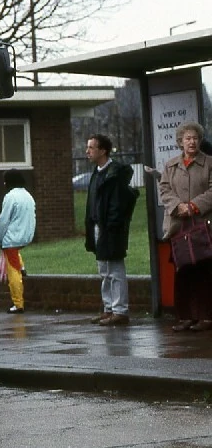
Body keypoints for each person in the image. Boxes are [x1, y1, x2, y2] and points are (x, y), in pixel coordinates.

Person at [158, 122, 212, 332]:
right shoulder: (170, 166)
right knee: (183, 271)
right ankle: (186, 316)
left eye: (195, 138)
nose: (192, 142)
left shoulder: (209, 163)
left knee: (204, 271)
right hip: (179, 226)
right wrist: (176, 206)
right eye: (187, 138)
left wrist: (194, 206)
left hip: (203, 226)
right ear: (180, 142)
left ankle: (206, 316)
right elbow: (164, 189)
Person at [84, 134, 136, 326]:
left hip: (111, 228)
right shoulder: (97, 173)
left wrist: (112, 225)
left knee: (114, 269)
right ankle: (109, 308)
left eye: (91, 148)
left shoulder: (114, 175)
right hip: (98, 227)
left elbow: (118, 204)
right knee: (104, 270)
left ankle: (120, 310)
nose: (87, 151)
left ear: (102, 150)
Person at [0, 169, 36, 314]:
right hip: (26, 235)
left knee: (13, 272)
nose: (4, 183)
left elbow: (3, 221)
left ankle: (18, 304)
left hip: (12, 238)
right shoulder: (28, 195)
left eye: (5, 180)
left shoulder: (10, 197)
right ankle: (22, 267)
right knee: (14, 254)